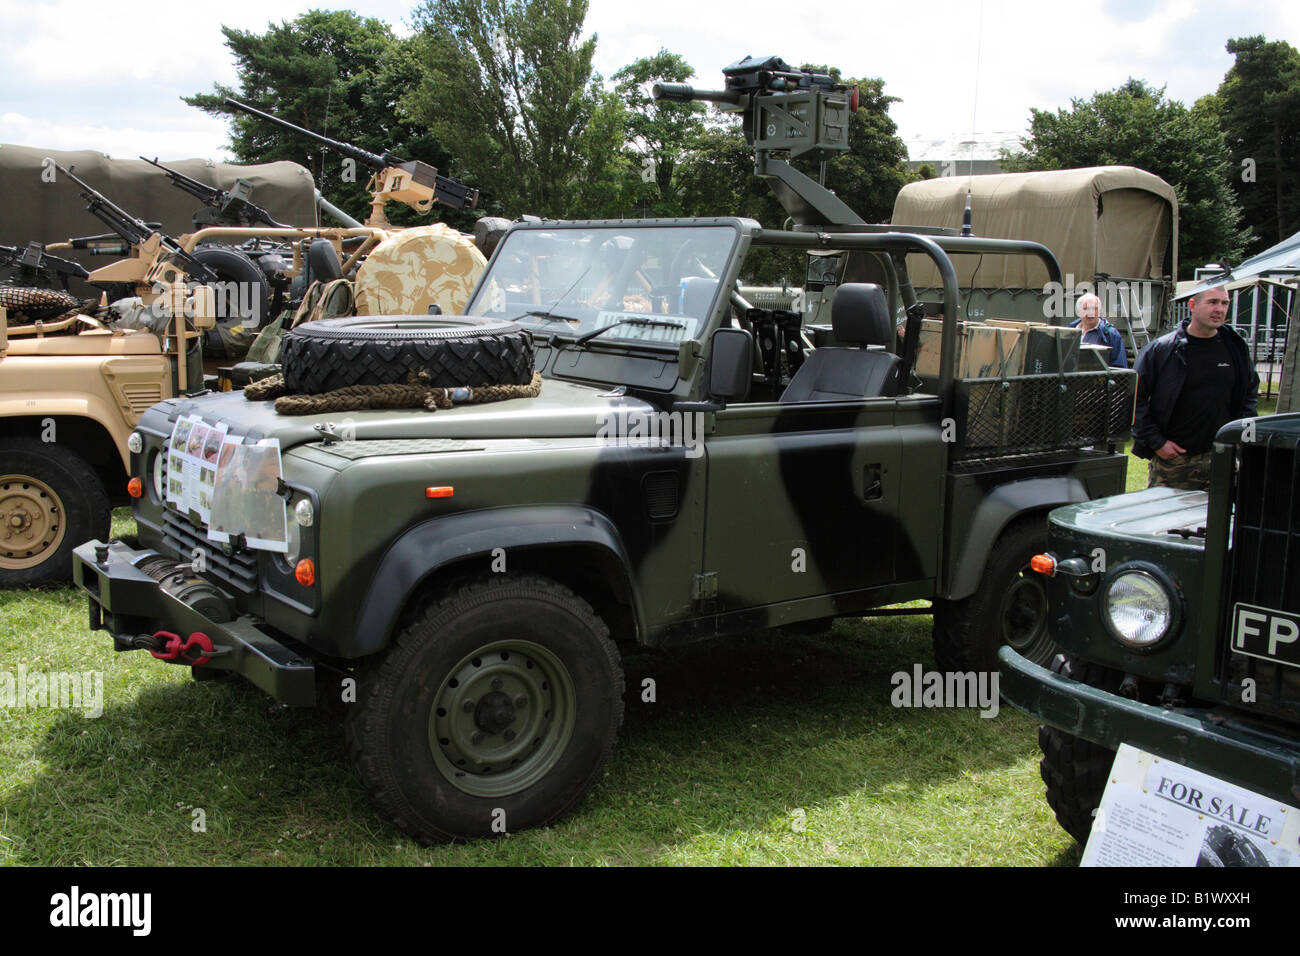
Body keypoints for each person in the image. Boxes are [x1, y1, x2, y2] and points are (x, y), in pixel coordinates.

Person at [1132, 283, 1258, 490]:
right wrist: (1157, 442)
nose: (1219, 309)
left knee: (1220, 522)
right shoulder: (1163, 350)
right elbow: (1134, 398)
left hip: (1222, 459)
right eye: (1212, 302)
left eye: (1225, 303)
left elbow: (1250, 394)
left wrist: (1243, 438)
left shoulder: (1235, 347)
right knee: (1169, 522)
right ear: (1192, 304)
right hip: (1175, 462)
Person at [1069, 293, 1126, 368]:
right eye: (1086, 309)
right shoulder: (1069, 331)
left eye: (1094, 309)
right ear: (1079, 312)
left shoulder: (1111, 334)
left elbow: (1119, 368)